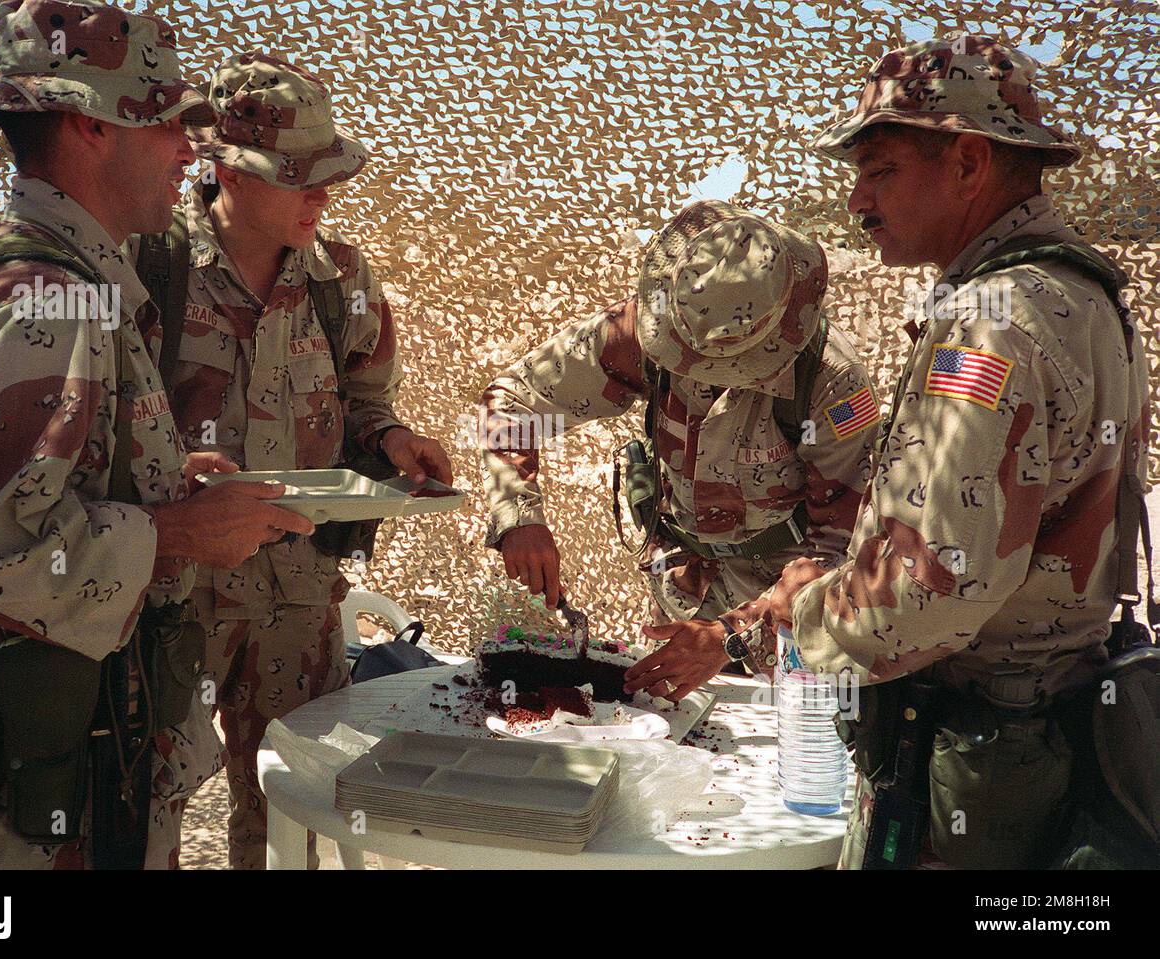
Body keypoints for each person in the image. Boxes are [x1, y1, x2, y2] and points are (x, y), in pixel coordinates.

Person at [627, 36, 1150, 869]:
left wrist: (783, 618)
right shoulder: (1088, 296)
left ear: (970, 162)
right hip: (1051, 734)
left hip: (968, 766)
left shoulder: (990, 322)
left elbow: (924, 593)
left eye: (881, 171)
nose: (856, 201)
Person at [0, 0, 311, 869]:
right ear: (91, 123)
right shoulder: (49, 296)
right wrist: (178, 533)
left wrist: (157, 476)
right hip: (50, 777)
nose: (188, 151)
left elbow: (40, 481)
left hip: (76, 746)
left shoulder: (64, 274)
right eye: (167, 123)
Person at [162, 52, 452, 869]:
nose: (322, 195)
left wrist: (393, 441)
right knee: (148, 803)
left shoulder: (343, 280)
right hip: (176, 593)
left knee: (293, 805)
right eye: (300, 177)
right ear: (227, 170)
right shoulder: (154, 269)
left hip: (297, 593)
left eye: (330, 174)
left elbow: (365, 405)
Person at [483, 201, 877, 682]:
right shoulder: (650, 329)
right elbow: (515, 399)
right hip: (681, 589)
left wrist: (735, 635)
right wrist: (519, 517)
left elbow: (843, 555)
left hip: (786, 623)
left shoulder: (830, 382)